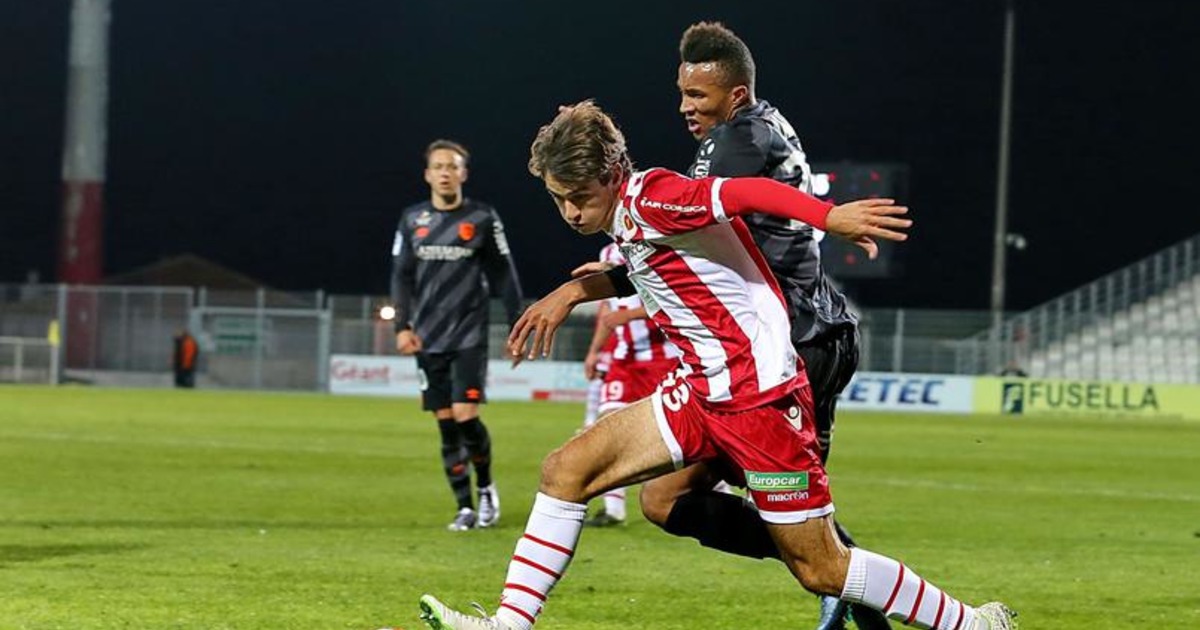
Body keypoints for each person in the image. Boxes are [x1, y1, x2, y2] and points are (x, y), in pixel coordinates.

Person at [416, 102, 1016, 630]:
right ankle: (508, 624)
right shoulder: (627, 212)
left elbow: (744, 194)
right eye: (557, 200)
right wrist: (581, 290)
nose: (570, 213)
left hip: (758, 400)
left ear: (611, 176)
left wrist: (826, 216)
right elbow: (659, 262)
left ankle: (971, 623)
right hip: (703, 393)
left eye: (579, 197)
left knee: (822, 568)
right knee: (569, 471)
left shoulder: (654, 196)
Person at [646, 22, 886, 630]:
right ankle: (853, 591)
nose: (685, 108)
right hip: (817, 330)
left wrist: (610, 271)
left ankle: (855, 587)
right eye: (681, 94)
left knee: (669, 499)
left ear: (736, 94)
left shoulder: (731, 143)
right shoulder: (768, 122)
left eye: (697, 96)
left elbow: (688, 233)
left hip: (785, 346)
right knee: (799, 516)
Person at [391, 139, 524, 532]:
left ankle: (485, 489)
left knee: (467, 416)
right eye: (438, 166)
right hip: (427, 337)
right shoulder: (412, 219)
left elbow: (504, 273)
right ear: (428, 174)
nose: (445, 172)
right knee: (446, 422)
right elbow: (400, 276)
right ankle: (464, 507)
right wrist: (401, 326)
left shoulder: (482, 217)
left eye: (453, 166)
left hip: (468, 334)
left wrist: (517, 324)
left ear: (463, 173)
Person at [580, 242, 682, 527]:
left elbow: (676, 299)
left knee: (678, 438)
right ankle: (613, 510)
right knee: (606, 429)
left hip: (662, 358)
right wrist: (595, 350)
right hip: (623, 360)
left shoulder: (655, 243)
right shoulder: (605, 253)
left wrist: (631, 315)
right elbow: (607, 310)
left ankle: (713, 488)